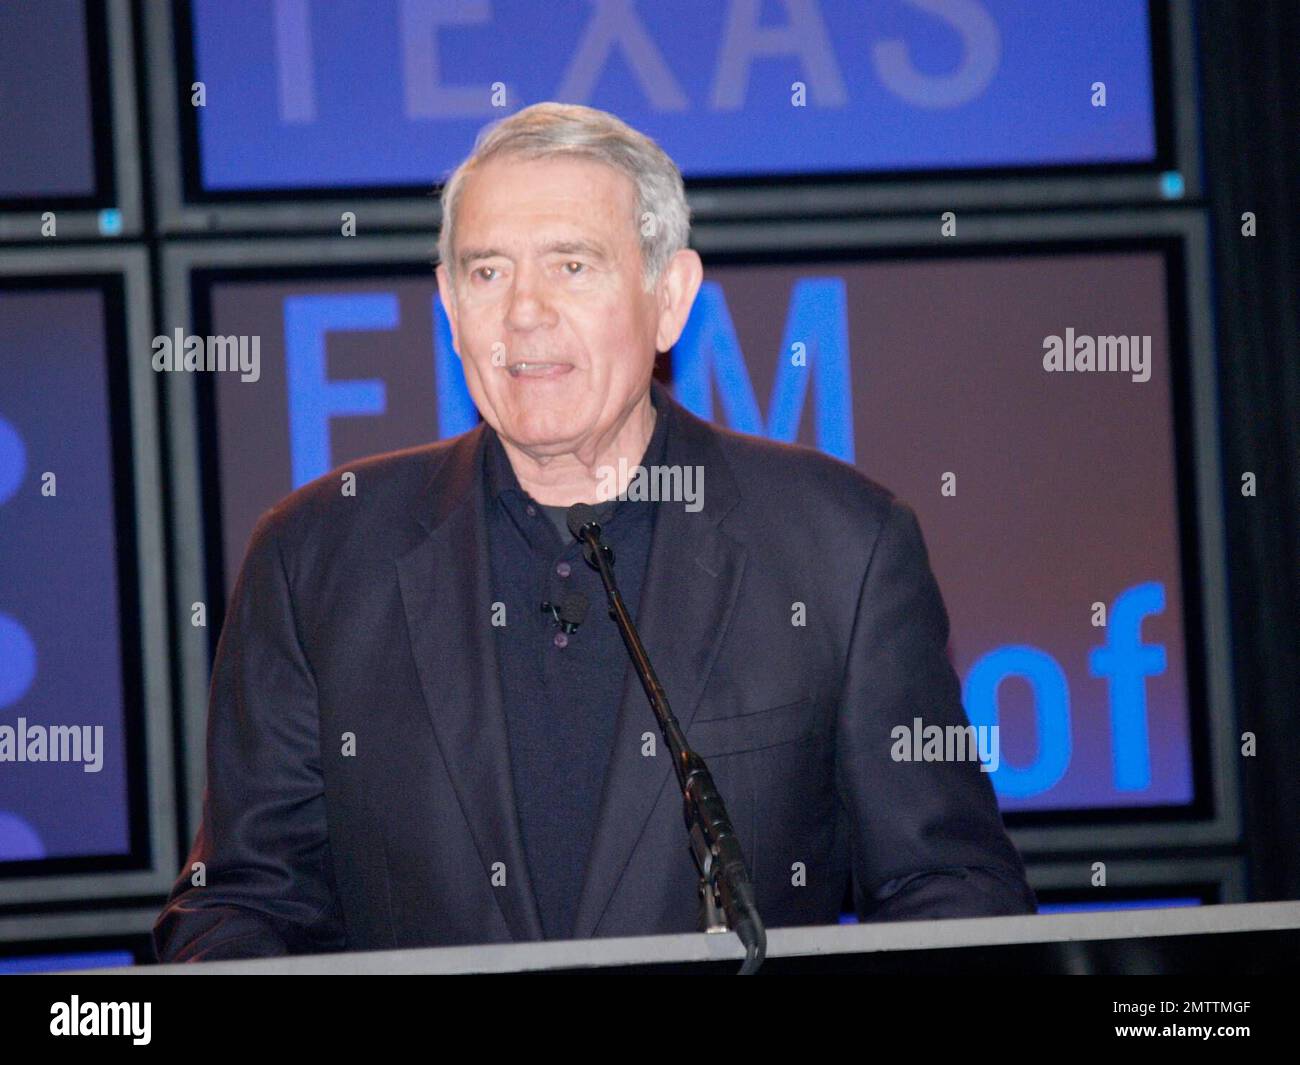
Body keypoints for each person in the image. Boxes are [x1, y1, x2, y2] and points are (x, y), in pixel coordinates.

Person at [153, 102, 1035, 961]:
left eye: (572, 266)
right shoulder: (316, 556)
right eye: (487, 271)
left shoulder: (842, 548)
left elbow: (950, 893)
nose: (524, 312)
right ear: (450, 306)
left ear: (670, 297)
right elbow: (242, 902)